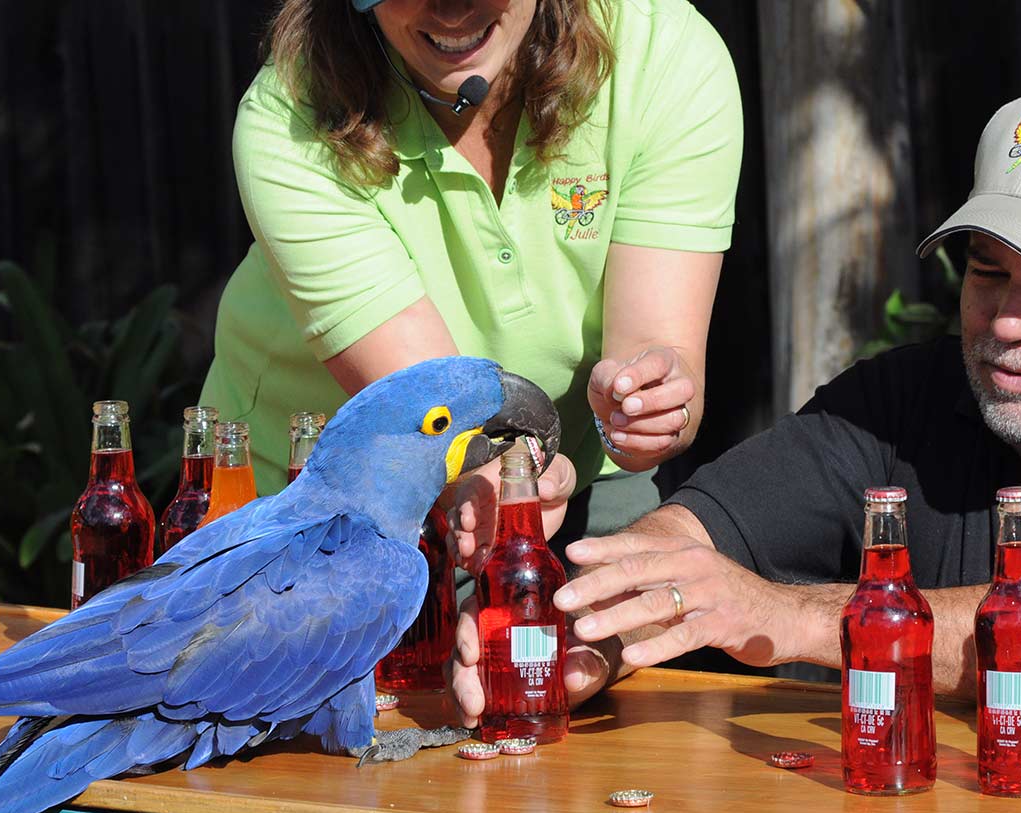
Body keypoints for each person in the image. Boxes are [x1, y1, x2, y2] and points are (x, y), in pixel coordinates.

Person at [448, 80, 1021, 720]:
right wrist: (584, 628)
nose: (1010, 322)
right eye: (988, 273)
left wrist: (792, 616)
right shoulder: (904, 399)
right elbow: (705, 527)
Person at [200, 0, 743, 546]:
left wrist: (644, 410)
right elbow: (433, 415)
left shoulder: (662, 55)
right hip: (302, 505)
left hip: (571, 481)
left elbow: (661, 353)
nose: (451, 9)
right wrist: (505, 482)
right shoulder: (286, 121)